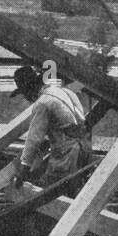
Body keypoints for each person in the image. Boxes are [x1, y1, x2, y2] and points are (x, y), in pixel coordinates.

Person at [10, 64, 92, 196]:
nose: (26, 97)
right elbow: (72, 123)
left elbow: (33, 140)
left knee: (54, 195)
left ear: (30, 89)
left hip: (67, 154)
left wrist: (23, 172)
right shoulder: (65, 92)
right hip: (85, 147)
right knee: (76, 192)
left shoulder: (42, 103)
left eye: (25, 93)